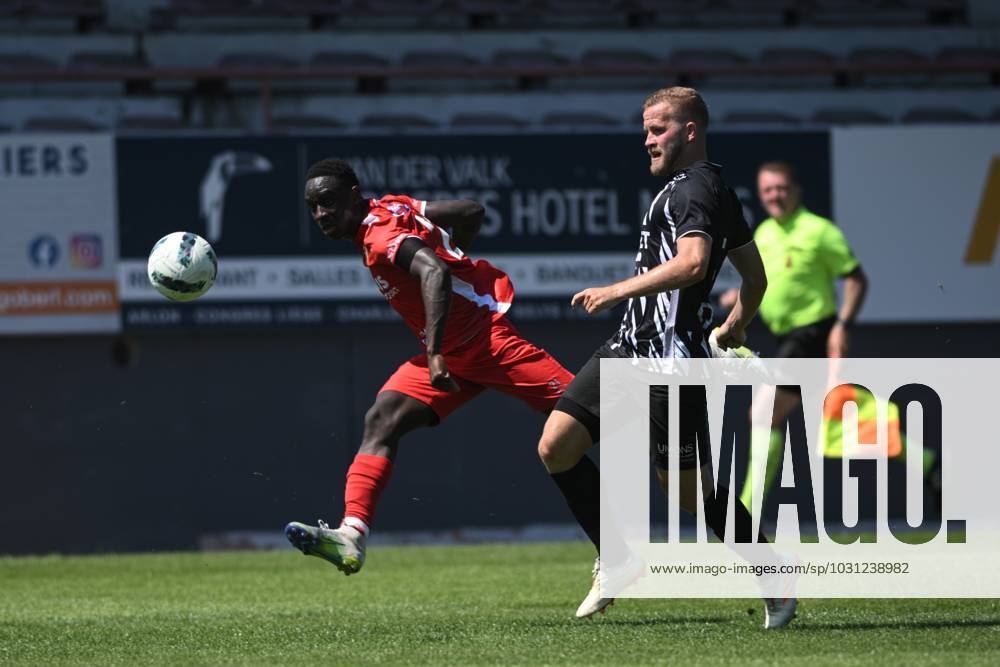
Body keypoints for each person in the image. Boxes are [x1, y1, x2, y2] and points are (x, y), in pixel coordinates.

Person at [536, 86, 796, 629]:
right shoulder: (712, 187)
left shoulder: (695, 188)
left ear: (690, 130)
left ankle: (774, 573)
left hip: (671, 362)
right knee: (557, 446)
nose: (648, 140)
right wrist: (737, 322)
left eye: (658, 130)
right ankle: (618, 559)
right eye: (646, 131)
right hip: (629, 348)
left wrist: (615, 290)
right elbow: (755, 278)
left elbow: (694, 263)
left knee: (686, 492)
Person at [285, 158, 574, 575]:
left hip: (485, 344)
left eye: (328, 202)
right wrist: (458, 253)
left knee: (594, 411)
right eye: (313, 206)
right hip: (452, 354)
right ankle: (351, 534)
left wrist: (435, 351)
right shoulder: (393, 206)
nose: (320, 214)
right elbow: (470, 211)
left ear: (353, 195)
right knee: (382, 418)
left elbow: (434, 271)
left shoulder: (380, 234)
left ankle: (673, 430)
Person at [725, 161, 869, 512]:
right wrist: (735, 299)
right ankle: (928, 465)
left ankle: (747, 511)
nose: (775, 196)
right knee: (846, 416)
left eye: (781, 188)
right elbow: (767, 285)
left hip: (814, 334)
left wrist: (842, 325)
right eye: (767, 190)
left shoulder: (818, 230)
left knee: (764, 412)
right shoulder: (764, 233)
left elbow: (856, 279)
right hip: (788, 337)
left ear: (796, 191)